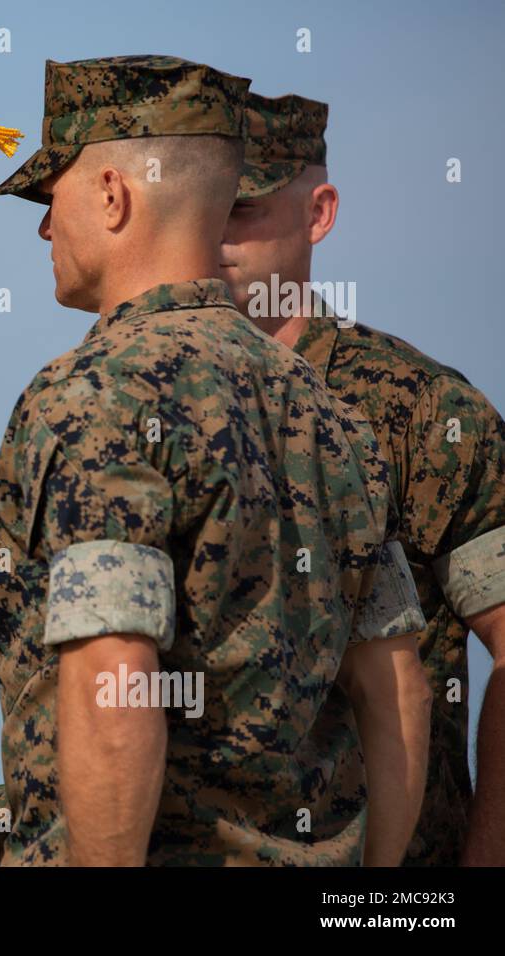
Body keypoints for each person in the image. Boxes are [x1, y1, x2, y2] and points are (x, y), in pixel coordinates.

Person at [0, 55, 429, 865]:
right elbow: (397, 689)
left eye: (52, 196)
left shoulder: (96, 394)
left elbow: (115, 683)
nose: (42, 228)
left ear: (112, 194)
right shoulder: (325, 409)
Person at [222, 93, 505, 865]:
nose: (214, 229)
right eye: (202, 199)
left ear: (319, 213)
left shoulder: (421, 409)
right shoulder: (141, 403)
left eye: (243, 204)